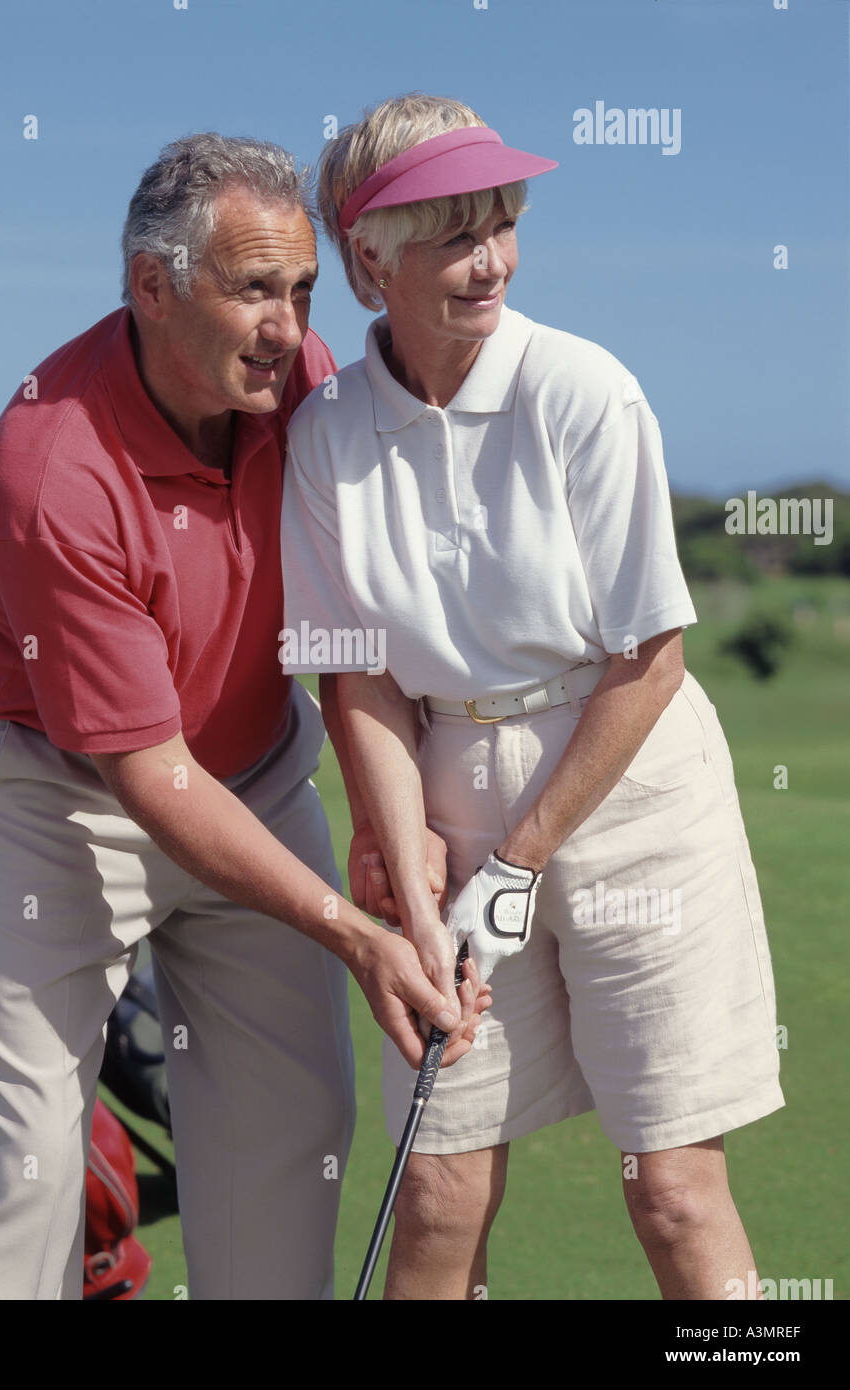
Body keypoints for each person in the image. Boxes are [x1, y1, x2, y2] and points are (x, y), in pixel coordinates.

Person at [0, 132, 486, 1302]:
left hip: (257, 774)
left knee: (295, 1123)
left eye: (299, 290)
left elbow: (343, 638)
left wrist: (386, 830)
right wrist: (352, 930)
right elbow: (146, 774)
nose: (288, 329)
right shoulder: (51, 467)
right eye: (251, 291)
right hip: (62, 797)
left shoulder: (296, 385)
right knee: (31, 1149)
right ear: (150, 286)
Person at [279, 94, 784, 1300]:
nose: (490, 258)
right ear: (366, 261)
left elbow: (646, 657)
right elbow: (358, 679)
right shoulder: (326, 432)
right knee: (440, 1190)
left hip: (633, 794)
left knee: (669, 1189)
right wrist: (413, 887)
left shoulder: (582, 392)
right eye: (452, 233)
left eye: (500, 221)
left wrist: (517, 863)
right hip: (443, 801)